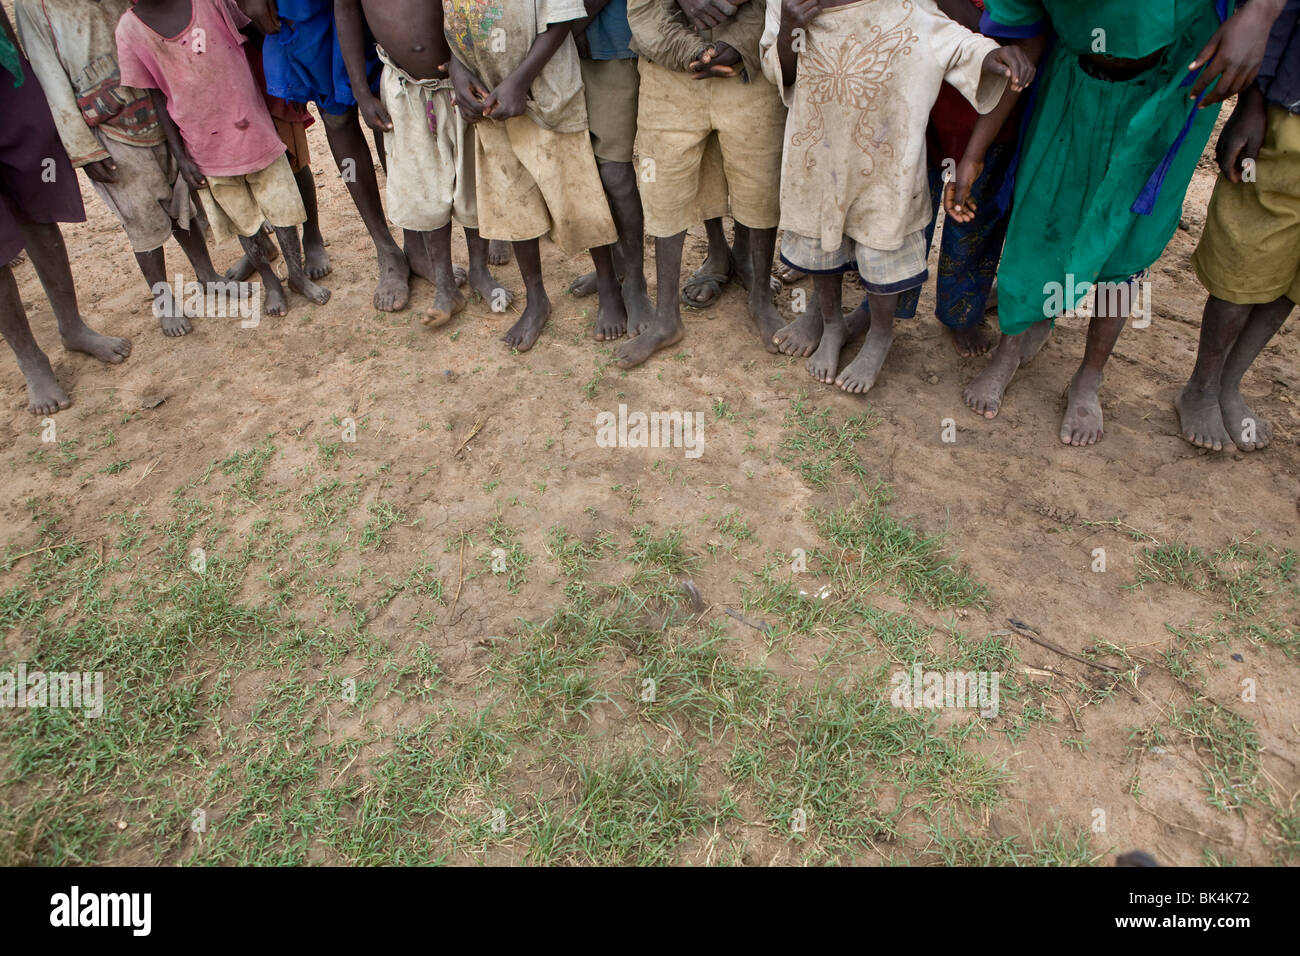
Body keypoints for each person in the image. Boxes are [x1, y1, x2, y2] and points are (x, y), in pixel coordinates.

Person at [951, 0, 1288, 445]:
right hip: (1073, 86)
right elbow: (1026, 41)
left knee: (1127, 245)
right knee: (1038, 220)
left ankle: (1090, 376)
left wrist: (1260, 14)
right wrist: (974, 153)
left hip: (1175, 89)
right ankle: (1010, 346)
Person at [762, 0, 1030, 394]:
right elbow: (777, 68)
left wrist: (993, 56)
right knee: (822, 246)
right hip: (818, 157)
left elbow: (952, 40)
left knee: (882, 250)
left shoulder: (906, 3)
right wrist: (789, 27)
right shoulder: (788, 3)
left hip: (887, 163)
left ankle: (880, 334)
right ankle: (833, 325)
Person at [16, 0, 222, 337]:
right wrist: (83, 148)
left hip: (154, 98)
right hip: (106, 125)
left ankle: (207, 273)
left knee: (180, 195)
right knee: (140, 215)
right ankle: (164, 301)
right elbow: (48, 73)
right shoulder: (34, 6)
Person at [116, 0, 331, 316]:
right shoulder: (130, 30)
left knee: (284, 209)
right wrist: (181, 157)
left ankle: (296, 276)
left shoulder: (209, 2)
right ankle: (271, 283)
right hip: (205, 148)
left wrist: (287, 86)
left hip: (255, 131)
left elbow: (256, 38)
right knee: (243, 221)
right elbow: (157, 98)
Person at [445, 0, 619, 352]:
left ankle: (610, 285)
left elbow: (562, 19)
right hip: (489, 97)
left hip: (545, 92)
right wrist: (456, 70)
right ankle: (536, 298)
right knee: (513, 201)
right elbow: (452, 23)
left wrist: (519, 82)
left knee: (575, 193)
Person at [624, 0, 787, 368]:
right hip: (666, 66)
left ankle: (760, 297)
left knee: (758, 180)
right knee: (664, 184)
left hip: (751, 63)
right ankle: (666, 316)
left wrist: (742, 42)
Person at [336, 0, 511, 328]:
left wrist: (461, 62)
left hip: (462, 84)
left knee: (471, 184)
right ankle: (445, 286)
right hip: (405, 89)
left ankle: (479, 272)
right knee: (425, 189)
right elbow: (345, 10)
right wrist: (361, 92)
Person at [1178, 0, 1300, 452]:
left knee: (1290, 274)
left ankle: (1230, 383)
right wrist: (1253, 100)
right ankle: (1202, 386)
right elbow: (1278, 12)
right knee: (1246, 259)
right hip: (1287, 118)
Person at [1, 6, 131, 414]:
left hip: (4, 78)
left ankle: (71, 325)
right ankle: (30, 358)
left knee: (33, 192)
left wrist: (14, 59)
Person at [565, 0, 654, 342]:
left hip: (608, 41)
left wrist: (571, 25)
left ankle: (634, 281)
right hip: (551, 46)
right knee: (583, 169)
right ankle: (610, 273)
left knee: (614, 172)